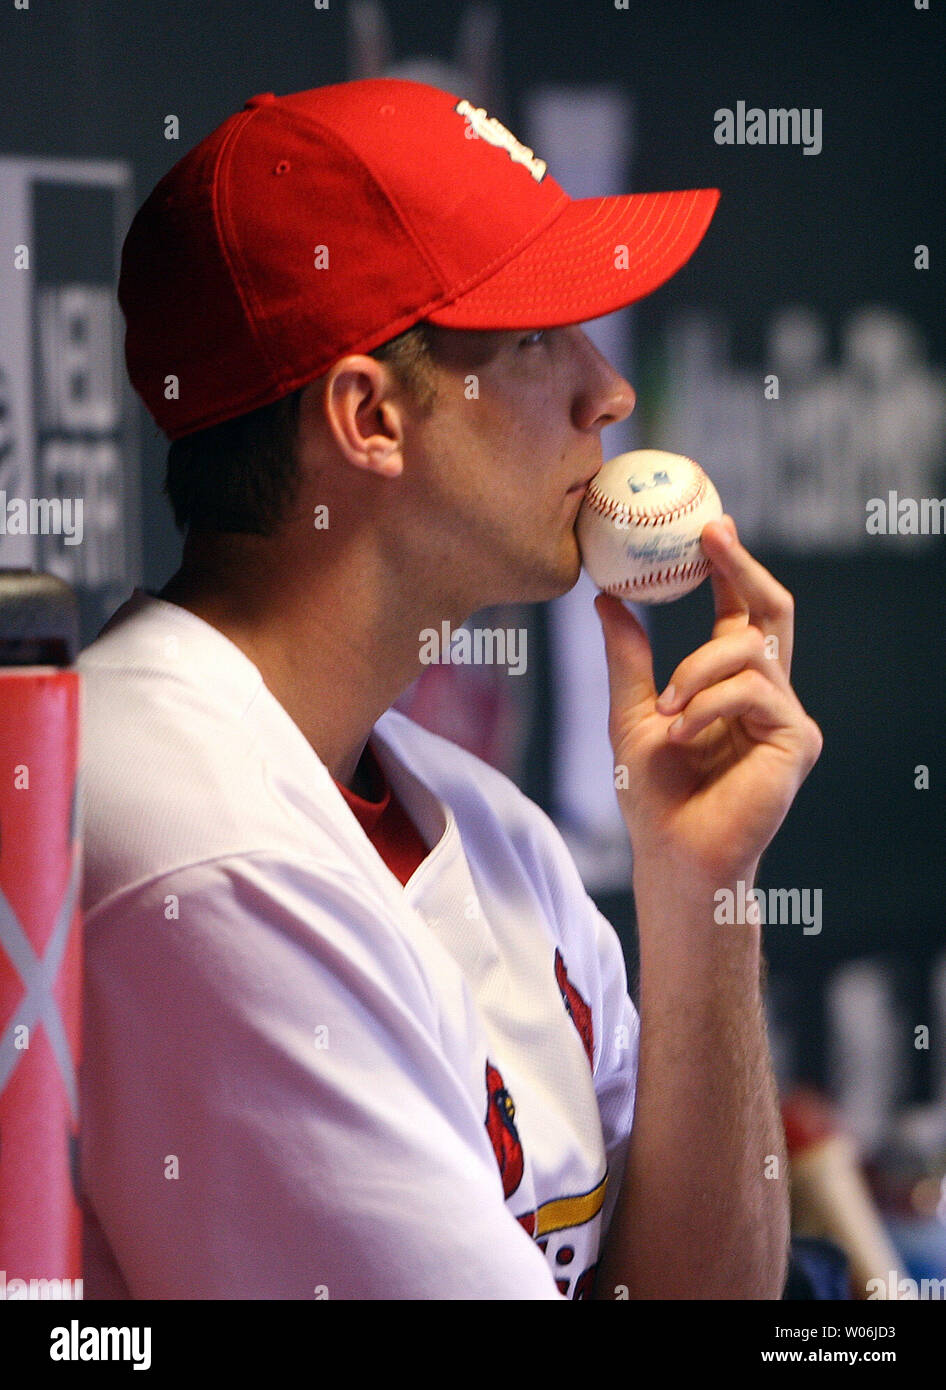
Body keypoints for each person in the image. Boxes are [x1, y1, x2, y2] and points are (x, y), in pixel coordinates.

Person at [78, 78, 822, 1299]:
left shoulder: (482, 824)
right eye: (534, 340)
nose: (609, 390)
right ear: (369, 417)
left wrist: (702, 894)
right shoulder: (197, 848)